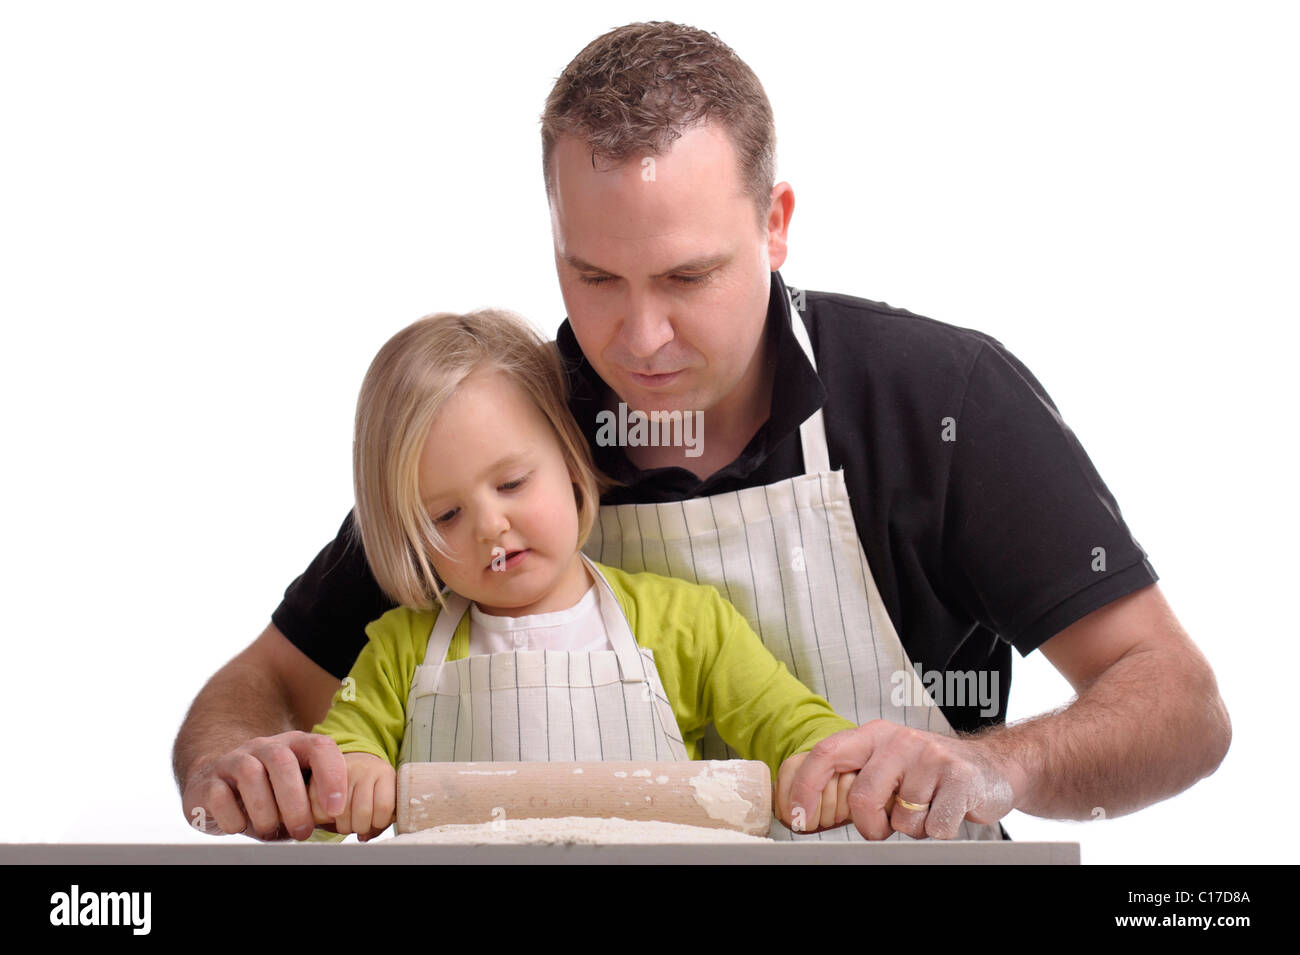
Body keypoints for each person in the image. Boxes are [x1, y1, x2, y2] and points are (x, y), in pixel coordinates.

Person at [173, 21, 1229, 844]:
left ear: (774, 223)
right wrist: (245, 763)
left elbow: (1178, 703)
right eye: (592, 276)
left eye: (688, 277)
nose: (639, 337)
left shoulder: (937, 400)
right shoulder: (505, 433)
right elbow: (250, 691)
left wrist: (999, 770)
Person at [301, 308, 860, 840]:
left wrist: (818, 762)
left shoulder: (686, 623)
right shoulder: (399, 651)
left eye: (513, 482)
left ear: (571, 460)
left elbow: (792, 724)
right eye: (445, 515)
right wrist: (349, 772)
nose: (490, 527)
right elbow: (335, 756)